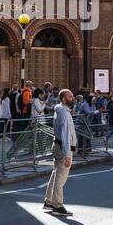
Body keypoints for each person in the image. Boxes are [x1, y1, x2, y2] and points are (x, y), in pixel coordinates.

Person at [43, 89, 76, 217]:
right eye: (70, 96)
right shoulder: (65, 114)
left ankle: (49, 201)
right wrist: (68, 154)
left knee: (55, 174)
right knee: (60, 178)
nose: (72, 98)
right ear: (63, 99)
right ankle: (58, 205)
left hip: (57, 145)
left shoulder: (60, 110)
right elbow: (66, 135)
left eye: (72, 96)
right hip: (63, 148)